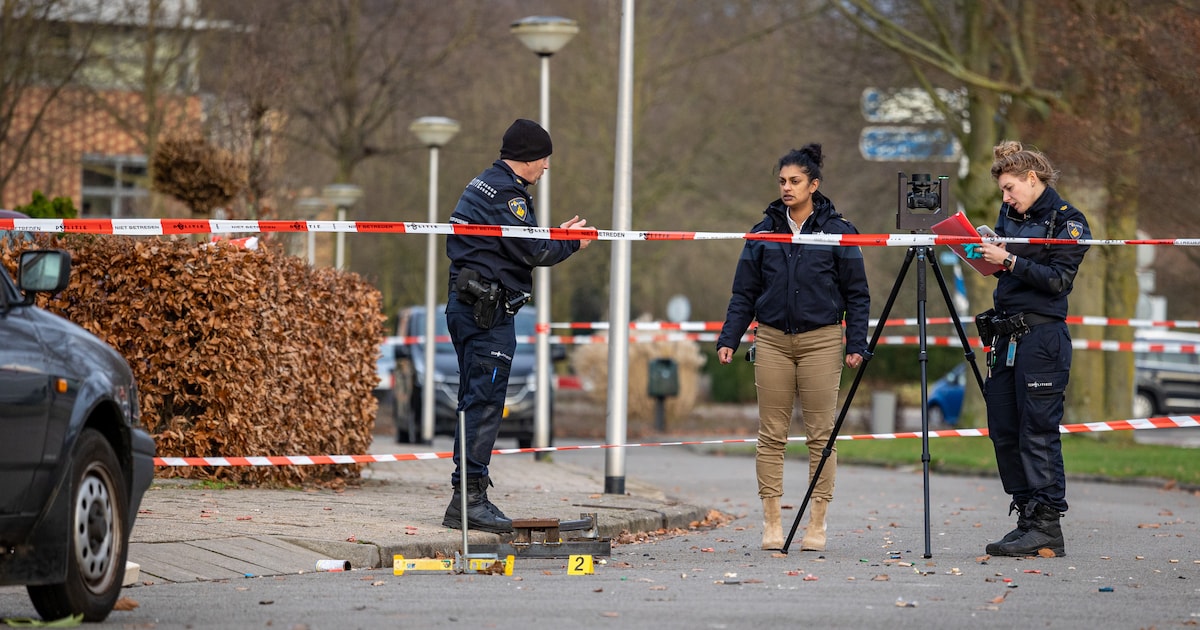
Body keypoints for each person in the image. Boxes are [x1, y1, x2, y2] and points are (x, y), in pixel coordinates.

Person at [716, 144, 870, 552]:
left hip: (821, 340)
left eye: (795, 181)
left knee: (821, 435)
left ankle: (816, 523)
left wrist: (856, 341)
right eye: (782, 181)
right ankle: (771, 523)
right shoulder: (762, 231)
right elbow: (743, 292)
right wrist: (729, 338)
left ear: (813, 185)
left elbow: (857, 293)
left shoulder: (839, 229)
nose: (787, 188)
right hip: (771, 340)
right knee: (771, 435)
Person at [441, 118, 591, 533]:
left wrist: (554, 234)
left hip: (468, 305)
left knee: (474, 399)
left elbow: (516, 240)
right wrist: (572, 241)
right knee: (484, 403)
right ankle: (469, 502)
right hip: (485, 313)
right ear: (529, 159)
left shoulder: (485, 184)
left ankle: (467, 497)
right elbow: (533, 250)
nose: (546, 168)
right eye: (544, 160)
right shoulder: (508, 194)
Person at [975, 140, 1090, 557]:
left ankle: (1047, 525)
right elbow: (1010, 270)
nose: (1005, 198)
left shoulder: (1068, 222)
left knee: (1036, 432)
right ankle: (1025, 514)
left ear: (1031, 178)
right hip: (1006, 338)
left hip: (1042, 340)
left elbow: (1059, 280)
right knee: (1004, 430)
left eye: (1010, 188)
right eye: (1002, 192)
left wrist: (1008, 261)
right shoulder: (1009, 216)